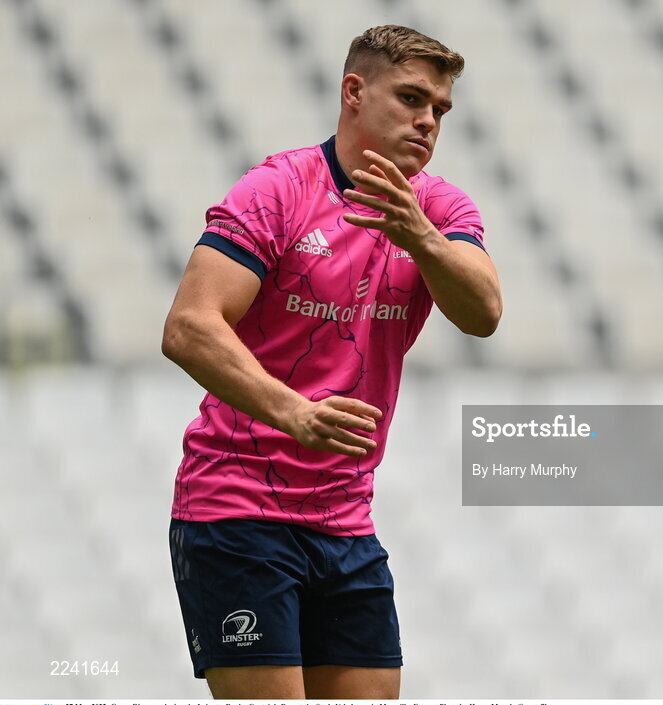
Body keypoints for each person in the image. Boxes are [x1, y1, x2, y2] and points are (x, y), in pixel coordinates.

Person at [161, 25, 501, 699]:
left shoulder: (439, 210)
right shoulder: (277, 189)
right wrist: (295, 411)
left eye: (440, 109)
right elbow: (189, 326)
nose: (428, 120)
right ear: (354, 91)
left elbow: (484, 312)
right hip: (237, 512)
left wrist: (420, 237)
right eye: (411, 98)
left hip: (345, 520)